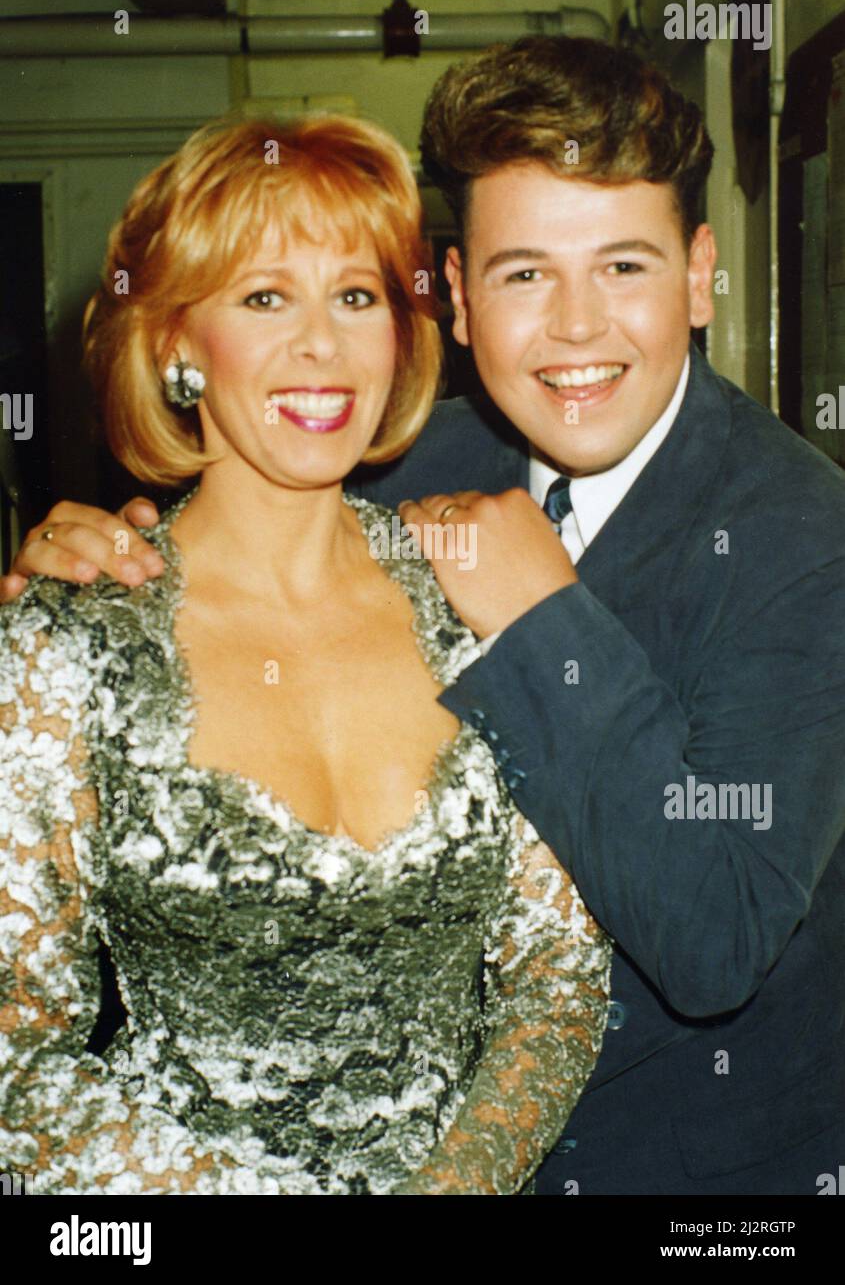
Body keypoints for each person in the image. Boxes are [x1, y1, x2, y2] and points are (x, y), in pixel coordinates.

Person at [18, 35, 845, 1197]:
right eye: (521, 273)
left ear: (700, 273)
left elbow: (714, 937)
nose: (573, 328)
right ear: (454, 299)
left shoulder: (801, 533)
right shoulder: (405, 463)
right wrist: (91, 547)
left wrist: (541, 617)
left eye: (622, 267)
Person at [0, 113, 612, 1196]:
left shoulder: (472, 589)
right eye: (264, 296)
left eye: (357, 295)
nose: (321, 344)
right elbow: (15, 1066)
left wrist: (453, 1186)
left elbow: (555, 975)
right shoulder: (62, 644)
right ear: (178, 341)